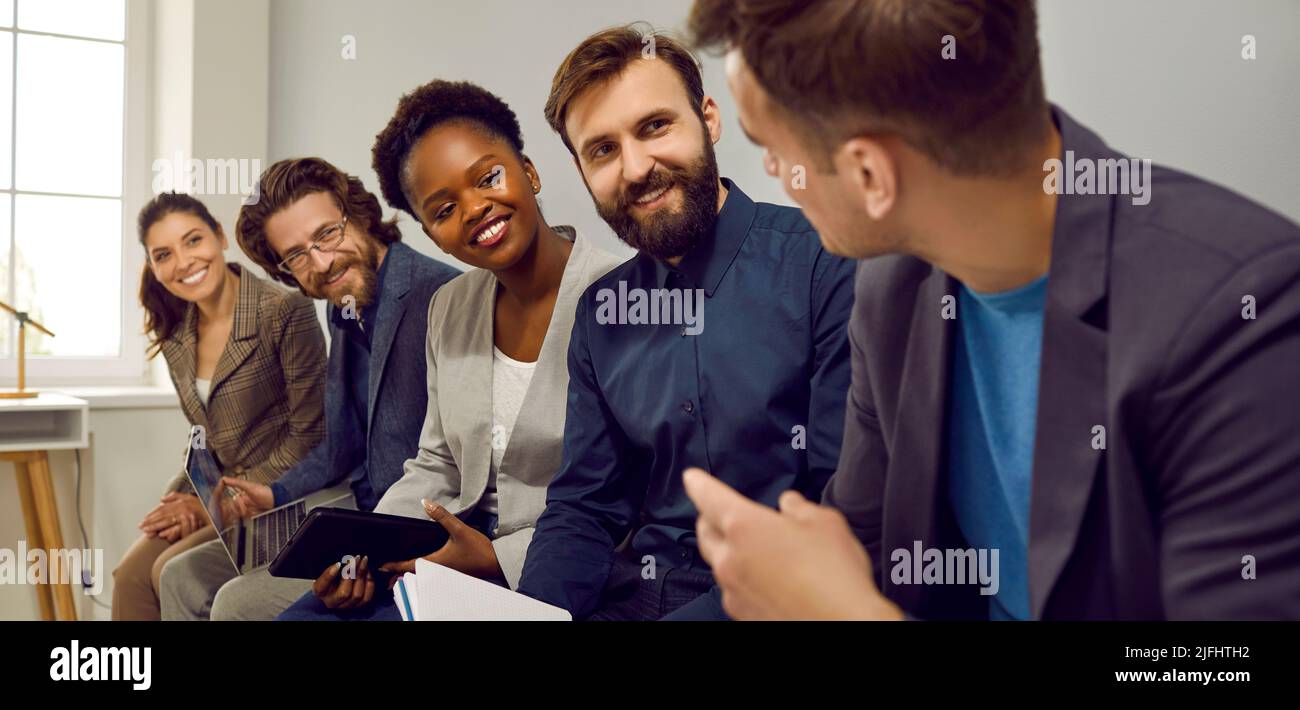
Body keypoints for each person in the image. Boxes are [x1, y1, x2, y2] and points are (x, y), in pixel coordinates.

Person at [682, 0, 1300, 620]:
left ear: (870, 175)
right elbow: (864, 546)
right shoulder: (888, 290)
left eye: (771, 149)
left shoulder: (1246, 317)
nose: (771, 172)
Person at [515, 25, 856, 621]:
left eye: (655, 126)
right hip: (633, 596)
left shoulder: (826, 262)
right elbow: (584, 509)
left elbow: (843, 507)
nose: (635, 167)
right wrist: (532, 614)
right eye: (603, 150)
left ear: (709, 119)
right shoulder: (599, 314)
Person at [274, 80, 626, 620]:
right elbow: (436, 461)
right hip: (438, 547)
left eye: (488, 177)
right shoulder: (450, 305)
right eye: (443, 210)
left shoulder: (619, 298)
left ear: (529, 172)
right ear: (431, 234)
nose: (475, 208)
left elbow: (628, 497)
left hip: (549, 565)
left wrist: (495, 558)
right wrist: (365, 548)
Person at [157, 158, 460, 620]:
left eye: (327, 234)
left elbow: (458, 471)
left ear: (359, 216)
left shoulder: (440, 295)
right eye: (297, 255)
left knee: (235, 603)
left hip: (411, 534)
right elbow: (342, 445)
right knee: (181, 575)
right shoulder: (344, 305)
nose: (321, 261)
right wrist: (275, 494)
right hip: (354, 519)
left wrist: (368, 551)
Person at [112, 192, 325, 621]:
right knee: (128, 576)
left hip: (277, 497)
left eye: (193, 240)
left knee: (168, 571)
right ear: (153, 266)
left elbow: (310, 436)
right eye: (163, 254)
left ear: (220, 237)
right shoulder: (177, 332)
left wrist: (215, 504)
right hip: (214, 497)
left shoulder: (284, 311)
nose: (183, 262)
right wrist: (178, 498)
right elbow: (205, 436)